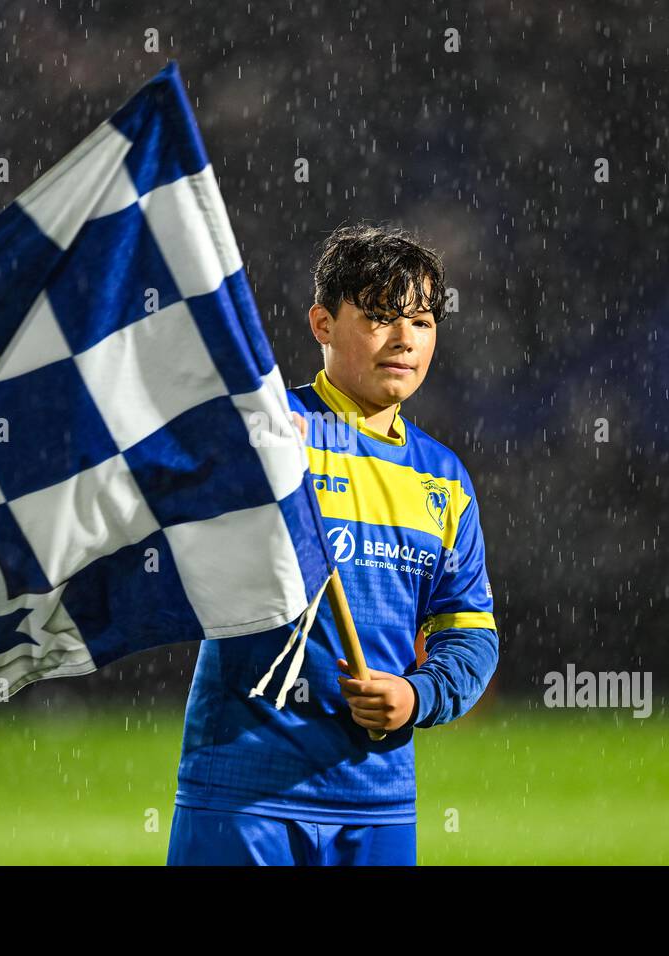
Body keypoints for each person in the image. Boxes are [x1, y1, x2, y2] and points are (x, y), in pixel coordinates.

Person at [167, 223, 499, 865]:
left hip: (377, 808)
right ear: (323, 323)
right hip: (243, 796)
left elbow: (471, 634)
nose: (405, 339)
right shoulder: (271, 435)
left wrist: (415, 696)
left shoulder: (445, 478)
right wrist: (242, 459)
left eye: (423, 321)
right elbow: (177, 540)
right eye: (380, 317)